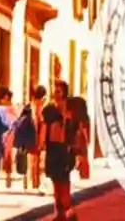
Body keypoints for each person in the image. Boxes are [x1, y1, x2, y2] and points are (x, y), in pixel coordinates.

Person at [40, 81, 83, 220]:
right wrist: (41, 146)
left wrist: (79, 153)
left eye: (58, 91)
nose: (56, 94)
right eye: (55, 91)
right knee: (55, 182)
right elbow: (44, 129)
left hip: (65, 151)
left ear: (64, 93)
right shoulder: (49, 110)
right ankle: (59, 212)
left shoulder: (71, 112)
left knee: (64, 183)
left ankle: (69, 211)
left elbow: (77, 132)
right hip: (52, 150)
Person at [0, 88, 18, 188]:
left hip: (5, 135)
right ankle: (6, 175)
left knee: (4, 155)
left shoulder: (1, 109)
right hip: (7, 134)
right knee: (6, 155)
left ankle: (5, 175)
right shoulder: (12, 110)